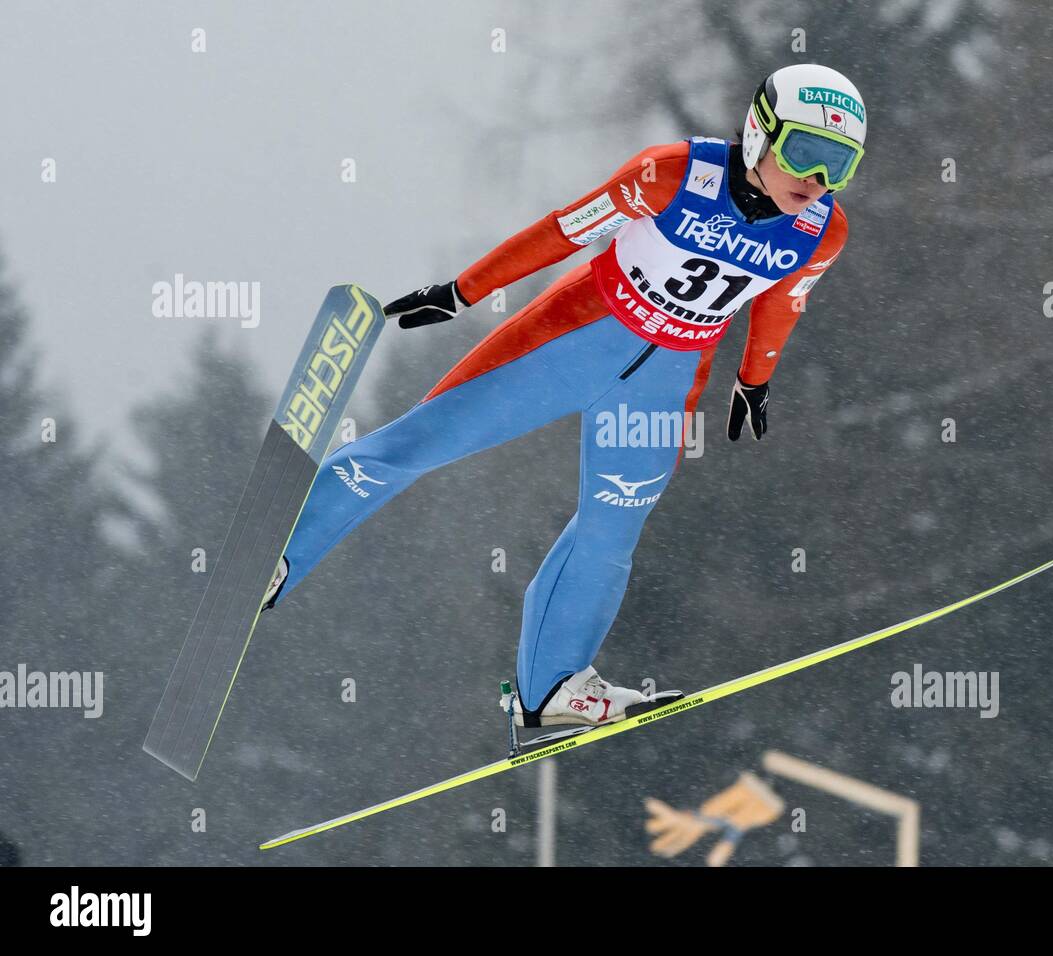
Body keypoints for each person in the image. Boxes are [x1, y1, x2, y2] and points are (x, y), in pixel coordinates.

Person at [262, 63, 865, 734]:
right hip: (574, 338)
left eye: (840, 165)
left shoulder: (822, 231)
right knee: (423, 442)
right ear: (760, 133)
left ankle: (549, 688)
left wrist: (755, 379)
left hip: (664, 383)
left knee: (611, 532)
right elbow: (566, 230)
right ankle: (281, 550)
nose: (816, 180)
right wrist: (464, 290)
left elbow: (783, 301)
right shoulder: (671, 173)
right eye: (805, 154)